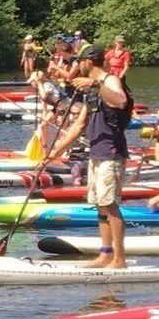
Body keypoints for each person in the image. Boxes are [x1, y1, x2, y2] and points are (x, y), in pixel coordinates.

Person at [40, 45, 131, 269]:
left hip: (112, 152)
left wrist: (96, 83)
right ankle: (105, 254)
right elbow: (80, 125)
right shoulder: (91, 92)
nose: (76, 67)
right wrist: (54, 153)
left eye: (79, 62)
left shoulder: (109, 81)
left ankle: (120, 260)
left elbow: (120, 101)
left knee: (110, 204)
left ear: (88, 62)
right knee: (100, 205)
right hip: (97, 153)